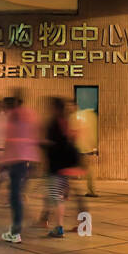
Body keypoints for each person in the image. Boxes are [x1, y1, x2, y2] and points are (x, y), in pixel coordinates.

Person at [0, 94, 41, 244]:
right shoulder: (28, 115)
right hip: (25, 160)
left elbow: (10, 141)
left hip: (17, 161)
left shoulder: (13, 118)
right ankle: (18, 226)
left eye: (4, 106)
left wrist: (3, 162)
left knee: (15, 196)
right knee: (16, 195)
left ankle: (16, 232)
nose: (3, 109)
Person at [41, 97, 83, 239]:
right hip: (63, 166)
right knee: (58, 197)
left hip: (56, 167)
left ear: (56, 108)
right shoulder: (64, 121)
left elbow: (54, 144)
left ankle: (59, 227)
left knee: (56, 197)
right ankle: (57, 225)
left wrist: (42, 143)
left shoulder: (54, 123)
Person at [68, 100, 98, 200]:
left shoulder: (74, 117)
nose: (69, 108)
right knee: (89, 171)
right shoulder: (88, 117)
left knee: (70, 170)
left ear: (75, 106)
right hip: (85, 148)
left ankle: (65, 192)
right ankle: (91, 191)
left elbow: (72, 133)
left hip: (79, 148)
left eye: (70, 106)